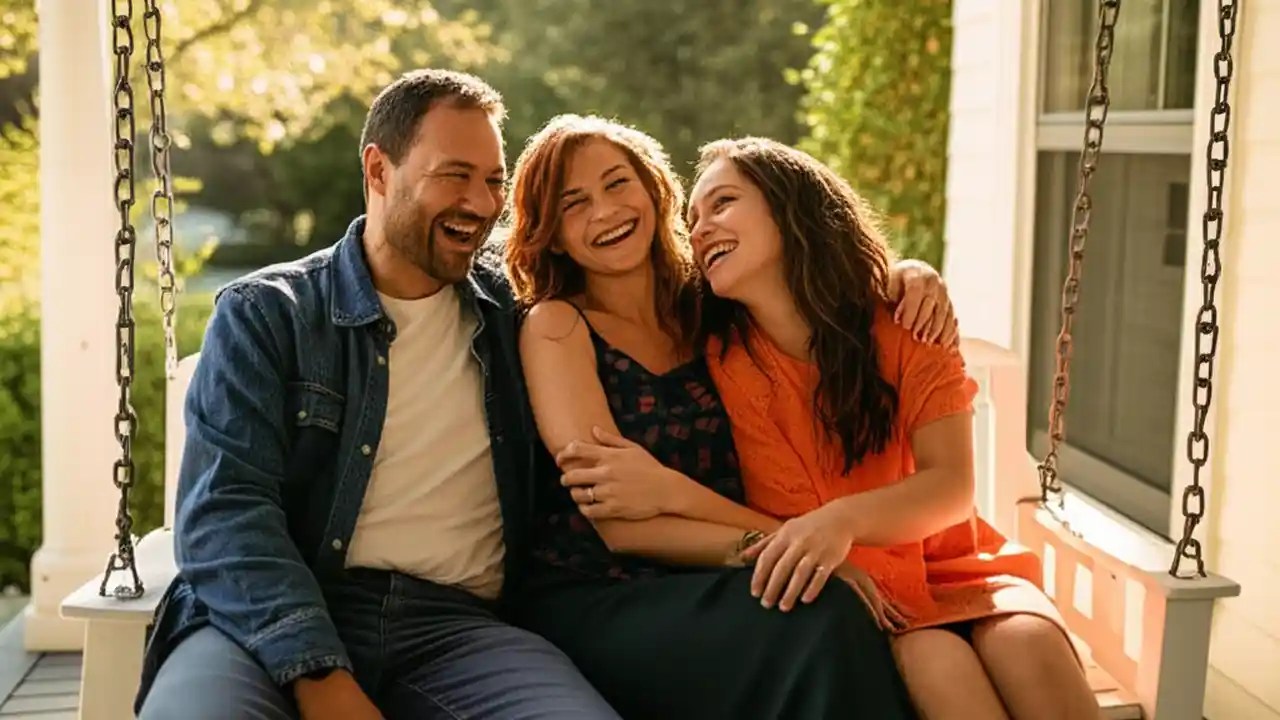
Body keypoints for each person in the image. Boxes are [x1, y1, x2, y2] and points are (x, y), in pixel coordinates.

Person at [136, 69, 622, 720]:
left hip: (455, 630)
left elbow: (640, 279)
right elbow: (226, 513)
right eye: (455, 175)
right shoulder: (267, 314)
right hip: (262, 619)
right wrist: (320, 674)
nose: (480, 203)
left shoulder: (519, 310)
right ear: (378, 169)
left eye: (493, 180)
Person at [505, 114, 957, 719]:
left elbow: (807, 281)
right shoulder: (558, 326)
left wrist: (906, 276)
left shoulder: (709, 306)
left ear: (653, 190)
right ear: (553, 235)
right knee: (824, 612)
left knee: (827, 610)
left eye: (618, 184)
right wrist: (786, 544)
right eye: (574, 203)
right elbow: (624, 524)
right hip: (602, 593)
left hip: (717, 576)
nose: (606, 211)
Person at [679, 137, 1102, 720]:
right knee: (937, 663)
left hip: (955, 568)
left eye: (721, 203)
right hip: (861, 596)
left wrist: (842, 519)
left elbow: (951, 488)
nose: (699, 229)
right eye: (692, 219)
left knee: (1027, 643)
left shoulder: (905, 324)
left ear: (791, 206)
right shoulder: (715, 353)